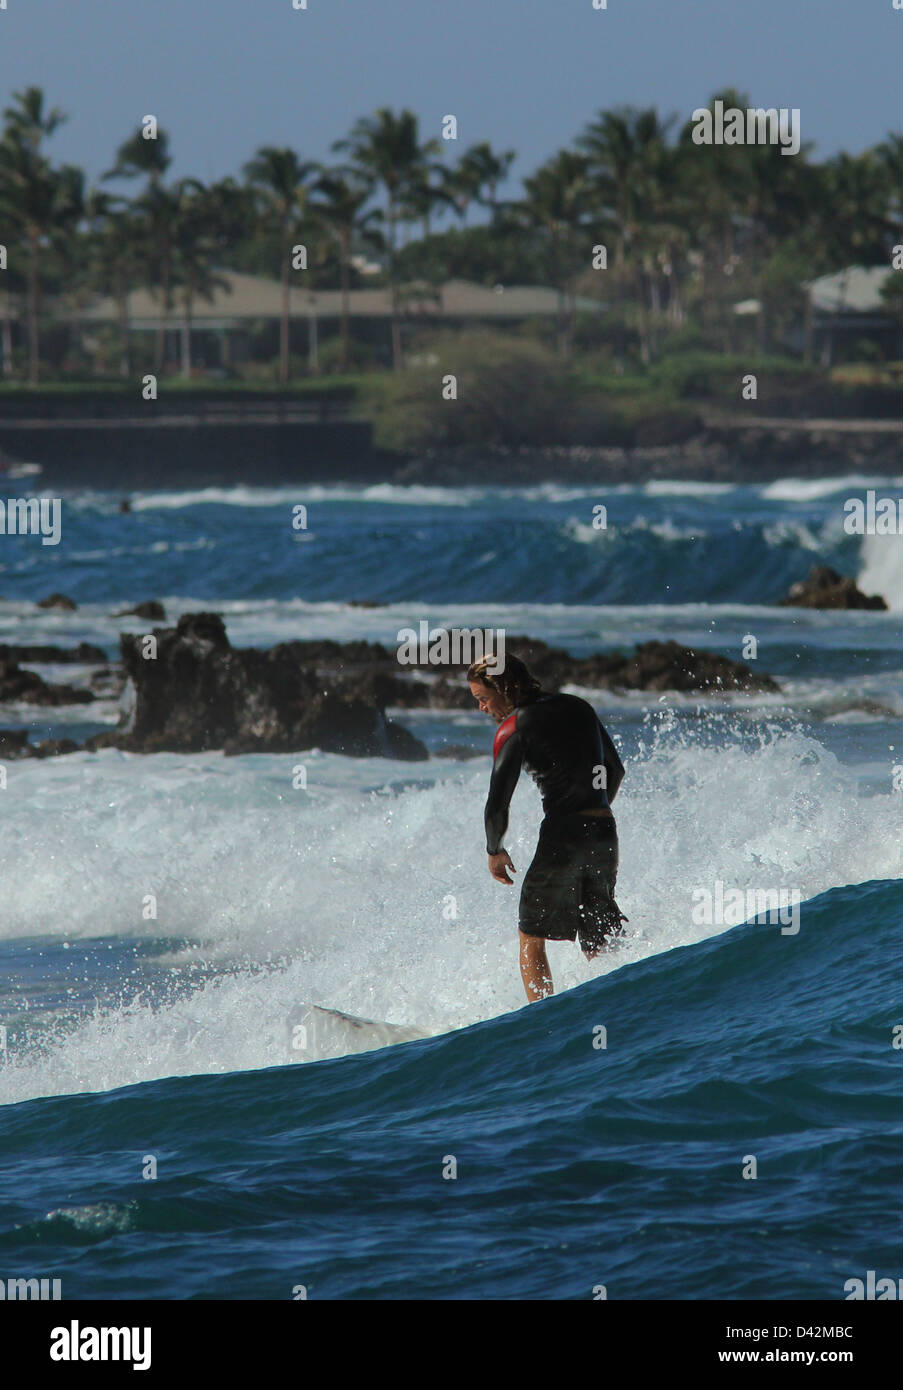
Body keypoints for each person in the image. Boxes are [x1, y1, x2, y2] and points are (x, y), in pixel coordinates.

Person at [467, 652, 627, 1003]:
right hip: (604, 831)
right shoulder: (577, 706)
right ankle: (620, 1008)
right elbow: (615, 770)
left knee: (531, 935)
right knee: (598, 933)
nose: (480, 708)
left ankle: (542, 1019)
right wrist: (591, 814)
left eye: (482, 698)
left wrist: (494, 850)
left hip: (563, 835)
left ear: (504, 688)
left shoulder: (512, 729)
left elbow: (498, 803)